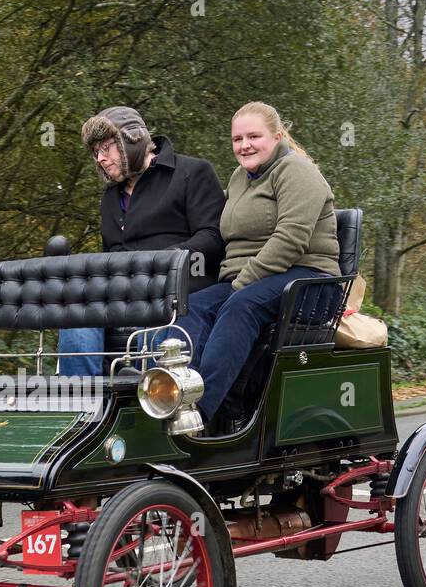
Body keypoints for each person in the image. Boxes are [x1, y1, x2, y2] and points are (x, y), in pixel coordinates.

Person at [176, 101, 341, 432]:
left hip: (309, 281)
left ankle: (199, 417)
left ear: (277, 136)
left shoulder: (297, 171)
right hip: (253, 280)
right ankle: (177, 397)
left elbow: (290, 240)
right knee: (190, 307)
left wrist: (241, 283)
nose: (244, 145)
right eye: (237, 139)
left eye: (254, 136)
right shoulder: (239, 178)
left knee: (240, 306)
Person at [55, 106, 225, 376]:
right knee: (77, 312)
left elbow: (213, 237)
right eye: (95, 152)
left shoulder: (191, 173)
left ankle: (150, 403)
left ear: (131, 139)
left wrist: (166, 262)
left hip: (176, 292)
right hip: (122, 295)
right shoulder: (111, 197)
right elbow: (110, 252)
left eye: (106, 148)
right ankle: (83, 404)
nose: (100, 158)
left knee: (159, 323)